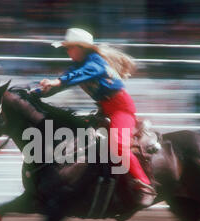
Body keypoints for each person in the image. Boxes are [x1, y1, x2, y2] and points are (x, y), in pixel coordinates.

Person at [39, 28, 156, 208]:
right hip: (105, 110)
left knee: (117, 146)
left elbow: (76, 76)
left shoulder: (95, 63)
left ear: (81, 48)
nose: (67, 51)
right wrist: (41, 89)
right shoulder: (79, 66)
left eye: (69, 48)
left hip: (121, 109)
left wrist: (57, 82)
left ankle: (144, 185)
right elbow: (66, 79)